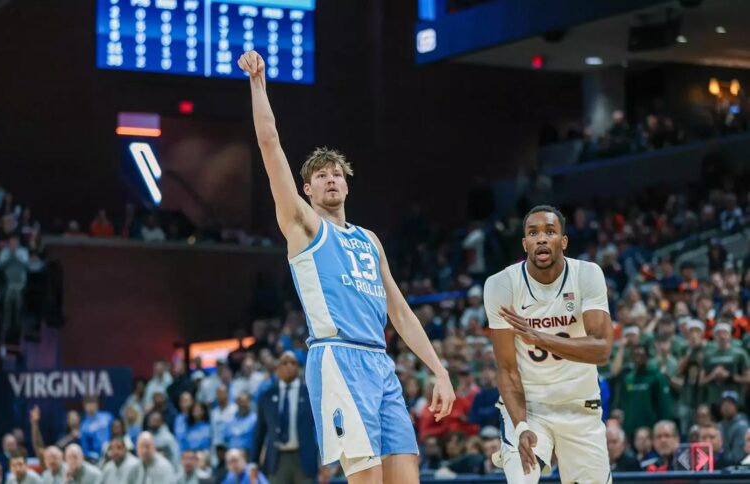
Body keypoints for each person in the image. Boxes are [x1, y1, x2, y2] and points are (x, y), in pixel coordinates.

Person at [238, 50, 454, 482]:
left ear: (348, 184)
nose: (331, 179)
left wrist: (439, 369)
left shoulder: (369, 240)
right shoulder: (303, 226)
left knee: (406, 476)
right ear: (307, 189)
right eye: (321, 175)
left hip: (380, 363)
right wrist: (257, 84)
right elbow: (269, 143)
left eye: (337, 173)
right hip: (337, 358)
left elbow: (400, 311)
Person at [484, 206, 613, 483]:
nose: (541, 238)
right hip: (529, 409)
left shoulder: (587, 274)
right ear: (525, 244)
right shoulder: (502, 284)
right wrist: (520, 428)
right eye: (533, 233)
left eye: (550, 232)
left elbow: (602, 349)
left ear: (563, 241)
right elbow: (507, 369)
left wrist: (539, 337)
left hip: (580, 406)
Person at [253, 352, 318, 484]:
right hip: (277, 460)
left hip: (305, 458)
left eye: (293, 363)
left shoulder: (310, 394)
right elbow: (260, 431)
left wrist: (326, 462)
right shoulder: (266, 396)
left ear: (299, 368)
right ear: (277, 368)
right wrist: (253, 463)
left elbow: (321, 429)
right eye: (285, 363)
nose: (289, 366)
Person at [617, 345, 673, 438]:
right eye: (635, 355)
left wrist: (661, 429)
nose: (638, 359)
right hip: (631, 430)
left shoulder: (657, 377)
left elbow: (664, 406)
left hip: (651, 430)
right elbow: (624, 404)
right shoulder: (628, 379)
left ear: (647, 358)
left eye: (641, 355)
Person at [718, 390, 749, 468]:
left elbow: (737, 457)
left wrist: (718, 458)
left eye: (730, 404)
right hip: (721, 466)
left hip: (738, 468)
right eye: (723, 404)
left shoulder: (742, 425)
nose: (726, 407)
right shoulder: (719, 425)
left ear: (736, 406)